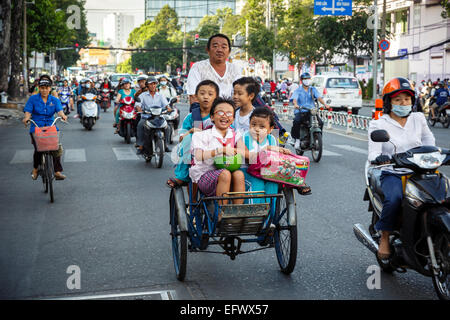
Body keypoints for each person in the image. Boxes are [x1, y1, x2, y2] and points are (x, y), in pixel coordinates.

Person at [368, 77, 435, 260]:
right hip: (393, 172)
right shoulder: (379, 124)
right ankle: (384, 237)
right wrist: (381, 158)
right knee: (395, 198)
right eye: (398, 100)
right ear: (390, 103)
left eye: (406, 99)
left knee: (442, 195)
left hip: (420, 171)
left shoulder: (418, 118)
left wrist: (436, 153)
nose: (403, 103)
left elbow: (429, 142)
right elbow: (373, 153)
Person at [189, 97, 245, 205]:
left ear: (233, 119)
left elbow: (243, 151)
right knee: (225, 174)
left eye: (229, 114)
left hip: (229, 171)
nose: (224, 116)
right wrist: (220, 150)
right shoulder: (201, 135)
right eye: (220, 112)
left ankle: (237, 211)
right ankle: (222, 213)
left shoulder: (236, 135)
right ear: (212, 117)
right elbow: (199, 156)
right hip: (205, 175)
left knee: (239, 175)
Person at [166, 80, 219, 189]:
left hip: (215, 152)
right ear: (196, 96)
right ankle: (182, 176)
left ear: (216, 97)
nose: (206, 97)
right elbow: (181, 138)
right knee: (189, 139)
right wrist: (191, 132)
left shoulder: (220, 115)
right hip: (194, 154)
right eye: (202, 93)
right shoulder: (191, 117)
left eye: (210, 94)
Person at [237, 107, 291, 204]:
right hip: (248, 171)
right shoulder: (244, 137)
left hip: (265, 171)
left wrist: (281, 152)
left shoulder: (272, 139)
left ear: (270, 129)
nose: (256, 129)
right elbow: (252, 159)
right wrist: (266, 149)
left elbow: (273, 160)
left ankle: (269, 212)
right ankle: (252, 214)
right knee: (258, 184)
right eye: (253, 125)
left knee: (273, 183)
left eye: (262, 127)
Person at [22, 76, 68, 180]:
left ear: (50, 88)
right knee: (38, 149)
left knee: (56, 148)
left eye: (46, 88)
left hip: (51, 127)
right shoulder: (33, 99)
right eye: (42, 88)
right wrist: (26, 119)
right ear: (39, 88)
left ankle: (57, 171)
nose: (44, 90)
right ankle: (35, 169)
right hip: (36, 127)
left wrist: (63, 116)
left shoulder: (54, 100)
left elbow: (60, 111)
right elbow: (28, 112)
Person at [186, 33, 242, 104]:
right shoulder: (197, 68)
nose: (219, 50)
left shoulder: (235, 69)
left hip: (229, 114)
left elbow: (240, 97)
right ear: (207, 50)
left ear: (229, 51)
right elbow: (194, 98)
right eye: (215, 46)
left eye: (224, 47)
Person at [290, 73, 329, 150]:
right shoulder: (298, 90)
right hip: (301, 111)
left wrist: (325, 104)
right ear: (302, 80)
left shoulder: (313, 89)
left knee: (320, 122)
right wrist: (295, 104)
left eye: (308, 79)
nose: (307, 81)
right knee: (296, 121)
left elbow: (319, 98)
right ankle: (297, 140)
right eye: (305, 79)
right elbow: (294, 99)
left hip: (311, 111)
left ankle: (317, 139)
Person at [135, 77, 171, 154]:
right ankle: (140, 145)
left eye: (154, 84)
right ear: (147, 85)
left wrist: (168, 108)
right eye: (151, 84)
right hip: (147, 116)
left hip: (159, 116)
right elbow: (138, 104)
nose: (153, 86)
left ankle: (166, 145)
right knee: (140, 125)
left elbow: (166, 105)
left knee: (167, 127)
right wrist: (139, 109)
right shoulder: (143, 95)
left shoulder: (160, 95)